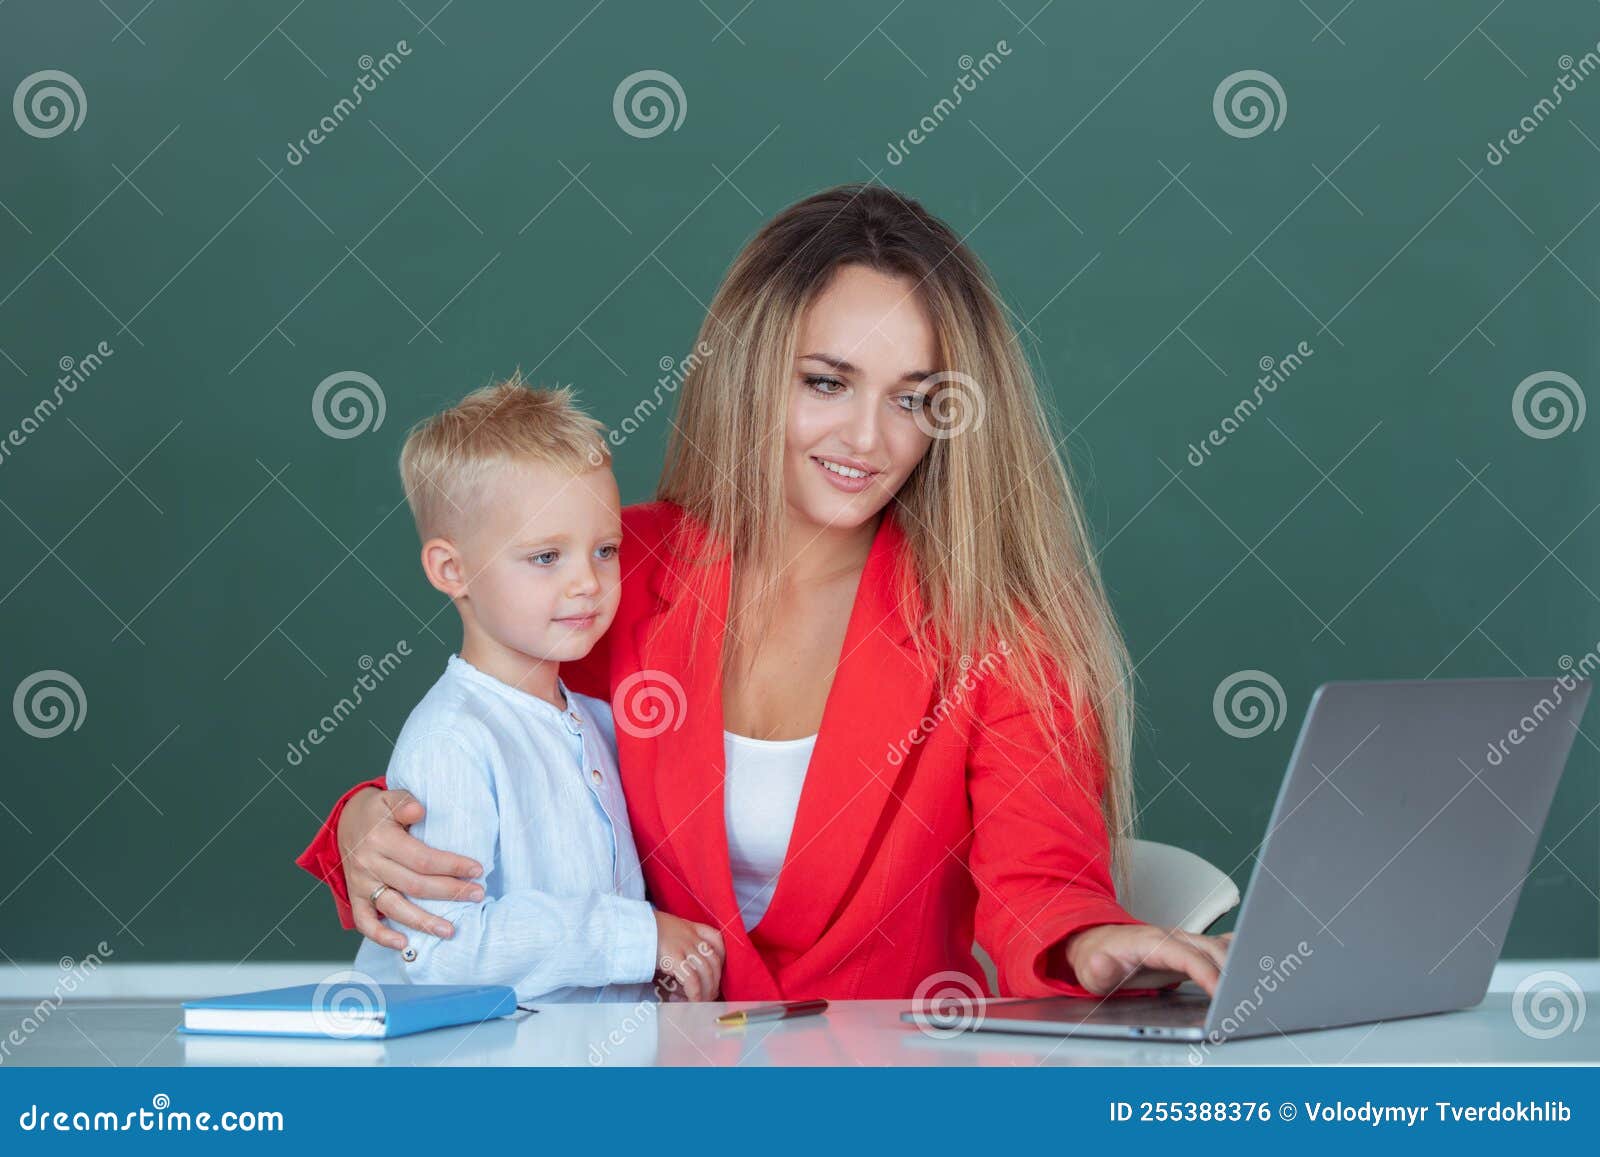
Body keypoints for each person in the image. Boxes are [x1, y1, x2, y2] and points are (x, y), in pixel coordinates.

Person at [298, 183, 1232, 1001]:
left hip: (882, 1099)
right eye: (827, 382)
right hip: (638, 1088)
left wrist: (1090, 939)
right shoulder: (612, 570)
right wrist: (367, 824)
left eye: (912, 398)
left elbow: (1043, 876)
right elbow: (508, 739)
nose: (869, 438)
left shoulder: (997, 629)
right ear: (750, 375)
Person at [344, 376, 724, 1003]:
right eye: (547, 557)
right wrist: (638, 936)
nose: (588, 584)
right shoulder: (452, 741)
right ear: (452, 570)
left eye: (605, 550)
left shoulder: (595, 719)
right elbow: (443, 948)